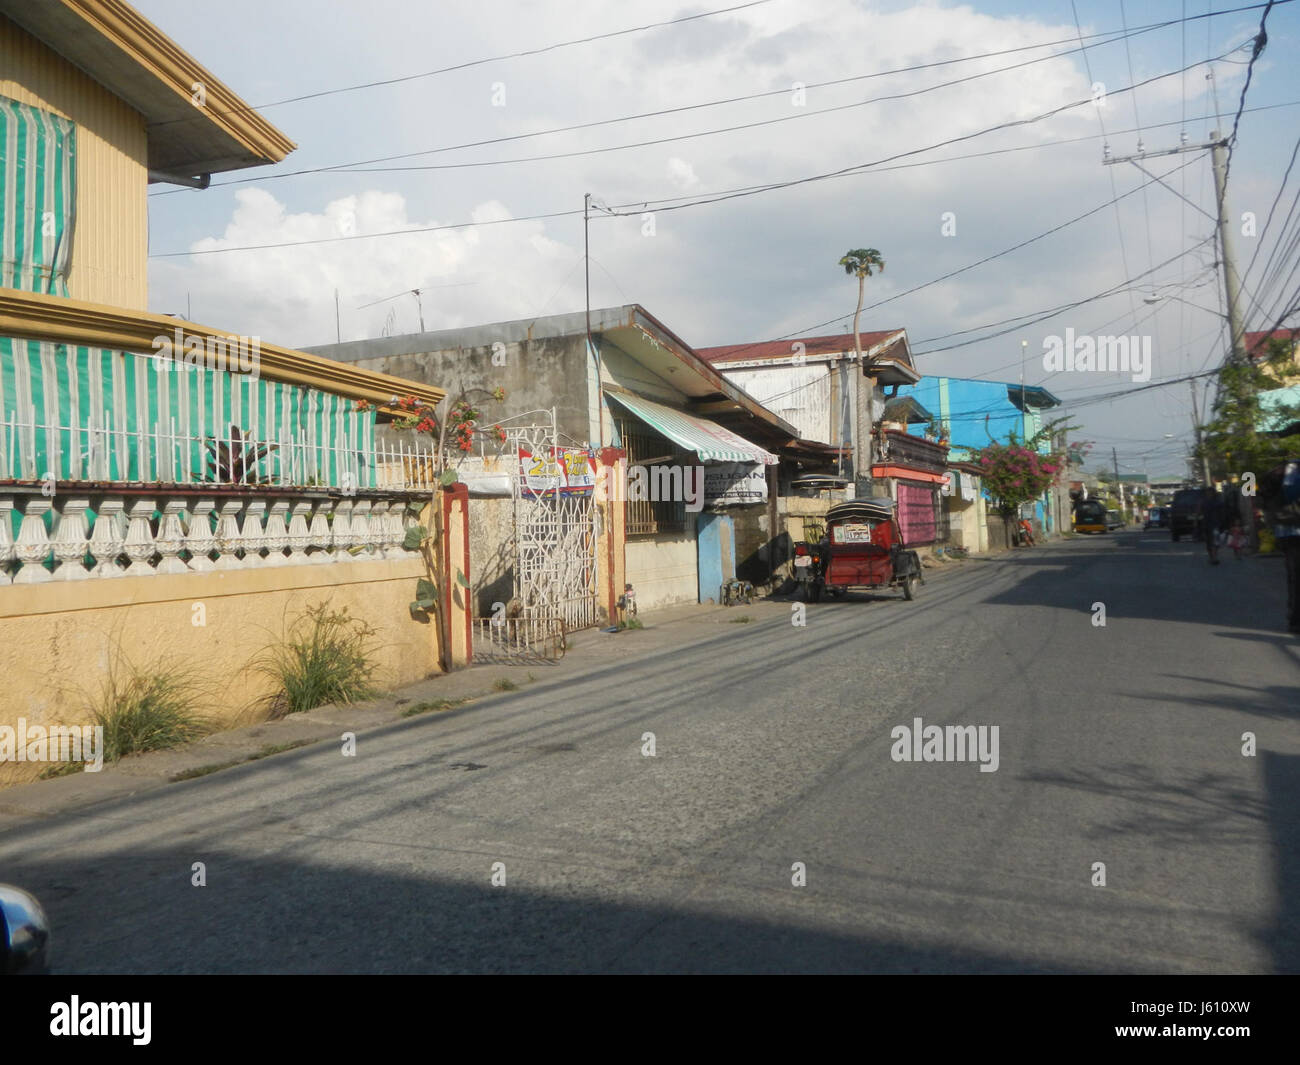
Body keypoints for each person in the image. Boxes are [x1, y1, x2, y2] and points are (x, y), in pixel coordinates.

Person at [1261, 459, 1300, 634]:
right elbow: (1290, 492)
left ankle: (1294, 617)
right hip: (1292, 531)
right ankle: (1295, 619)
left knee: (1295, 577)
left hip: (1286, 531)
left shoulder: (1287, 469)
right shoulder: (1292, 471)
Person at [1200, 485, 1226, 564]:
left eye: (1211, 492)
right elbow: (1199, 512)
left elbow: (1223, 512)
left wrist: (1223, 522)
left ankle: (1214, 557)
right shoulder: (1203, 502)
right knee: (1208, 542)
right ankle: (1212, 556)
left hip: (1216, 524)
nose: (1209, 494)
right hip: (1206, 525)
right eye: (1208, 493)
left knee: (1215, 541)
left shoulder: (1218, 502)